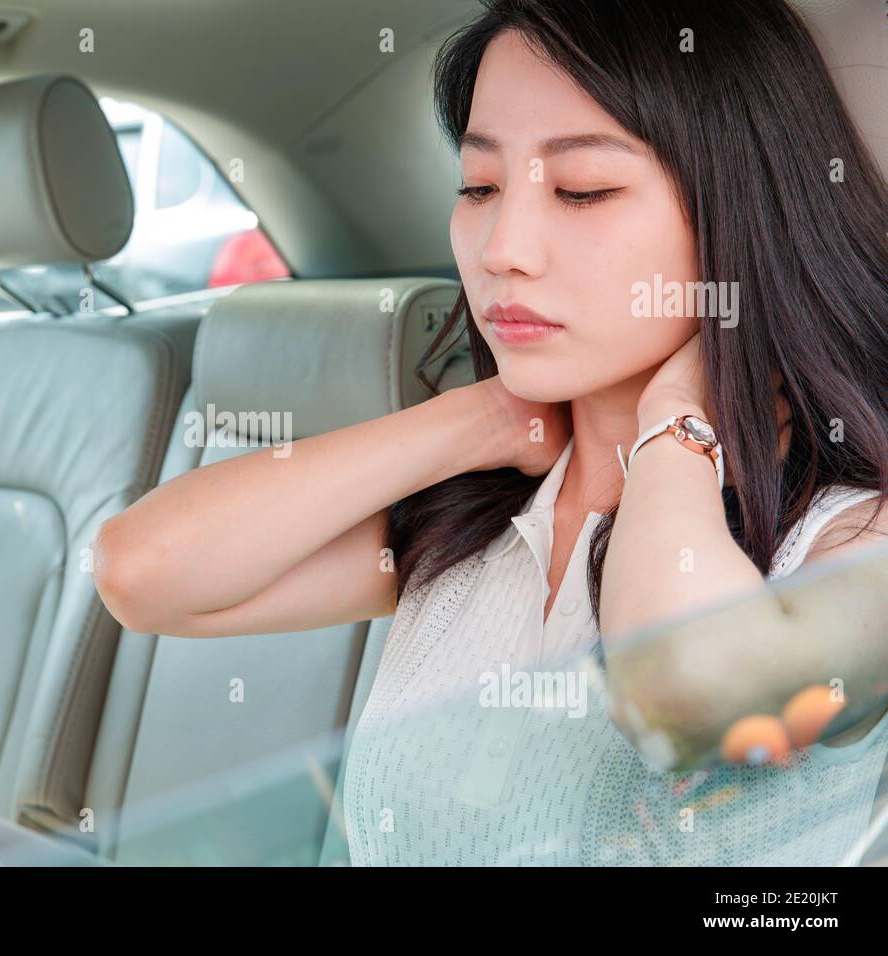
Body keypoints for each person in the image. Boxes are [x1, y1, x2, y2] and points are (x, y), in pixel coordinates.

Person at [93, 0, 888, 865]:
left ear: (745, 213)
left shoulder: (855, 538)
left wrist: (677, 427)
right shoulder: (471, 525)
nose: (502, 247)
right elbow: (142, 572)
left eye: (583, 189)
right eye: (479, 186)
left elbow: (686, 689)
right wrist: (483, 417)